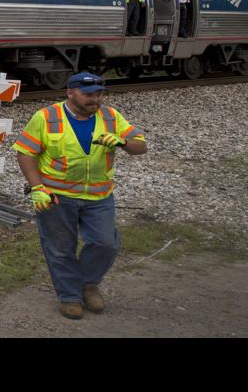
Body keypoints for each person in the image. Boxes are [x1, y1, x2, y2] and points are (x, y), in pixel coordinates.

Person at [12, 72, 149, 320]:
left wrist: (122, 142)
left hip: (98, 196)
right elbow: (25, 152)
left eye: (98, 94)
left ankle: (87, 284)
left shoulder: (111, 116)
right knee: (60, 248)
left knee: (105, 243)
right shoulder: (46, 117)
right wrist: (37, 188)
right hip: (56, 197)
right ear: (70, 93)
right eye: (88, 94)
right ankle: (69, 297)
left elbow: (141, 146)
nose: (94, 99)